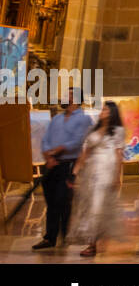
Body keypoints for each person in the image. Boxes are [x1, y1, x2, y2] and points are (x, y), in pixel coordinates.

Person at [33, 88, 93, 250]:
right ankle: (50, 237)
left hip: (69, 164)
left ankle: (65, 235)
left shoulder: (84, 118)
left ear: (76, 99)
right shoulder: (57, 119)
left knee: (63, 200)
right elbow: (46, 139)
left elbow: (76, 141)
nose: (64, 96)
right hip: (52, 164)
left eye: (69, 95)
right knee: (52, 201)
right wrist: (49, 156)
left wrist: (54, 152)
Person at [69, 101, 124, 257]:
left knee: (98, 206)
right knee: (88, 206)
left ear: (112, 113)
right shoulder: (93, 128)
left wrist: (116, 176)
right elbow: (85, 152)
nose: (103, 111)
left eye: (106, 109)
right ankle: (94, 240)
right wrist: (75, 171)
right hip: (92, 172)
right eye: (103, 109)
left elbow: (119, 154)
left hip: (106, 171)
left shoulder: (117, 131)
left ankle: (93, 244)